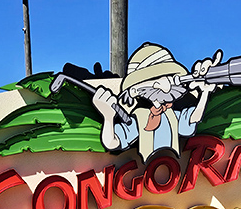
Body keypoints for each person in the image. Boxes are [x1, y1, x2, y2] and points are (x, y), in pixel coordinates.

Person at [92, 42, 222, 161]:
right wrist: (108, 117)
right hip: (145, 177)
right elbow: (112, 142)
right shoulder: (140, 117)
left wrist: (205, 92)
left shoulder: (172, 114)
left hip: (174, 173)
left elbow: (194, 118)